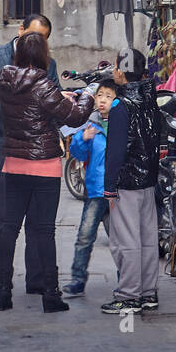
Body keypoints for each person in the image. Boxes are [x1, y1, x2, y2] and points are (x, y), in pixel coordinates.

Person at [0, 30, 95, 311]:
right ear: (43, 55)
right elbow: (73, 116)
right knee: (44, 231)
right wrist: (87, 94)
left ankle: (3, 290)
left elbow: (30, 103)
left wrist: (57, 95)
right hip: (45, 165)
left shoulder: (5, 80)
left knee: (9, 228)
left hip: (14, 161)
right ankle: (51, 295)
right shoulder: (44, 85)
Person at [0, 14, 59, 298]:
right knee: (3, 216)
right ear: (19, 31)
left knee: (38, 218)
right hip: (3, 146)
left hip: (38, 153)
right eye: (31, 35)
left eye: (42, 38)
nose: (35, 42)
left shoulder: (49, 65)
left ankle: (37, 280)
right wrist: (12, 108)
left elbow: (53, 102)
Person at [102, 48, 161, 315]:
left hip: (127, 180)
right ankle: (148, 292)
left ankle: (128, 296)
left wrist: (109, 185)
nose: (113, 71)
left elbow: (115, 151)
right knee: (147, 238)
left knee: (125, 241)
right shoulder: (150, 99)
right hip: (148, 179)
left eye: (116, 67)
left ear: (121, 72)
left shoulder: (120, 106)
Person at [62, 76, 118, 298]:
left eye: (109, 96)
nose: (103, 100)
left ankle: (128, 279)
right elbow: (77, 155)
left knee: (121, 240)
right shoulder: (90, 125)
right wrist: (82, 139)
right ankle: (77, 279)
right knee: (85, 237)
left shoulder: (121, 124)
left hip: (116, 193)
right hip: (95, 192)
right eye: (100, 95)